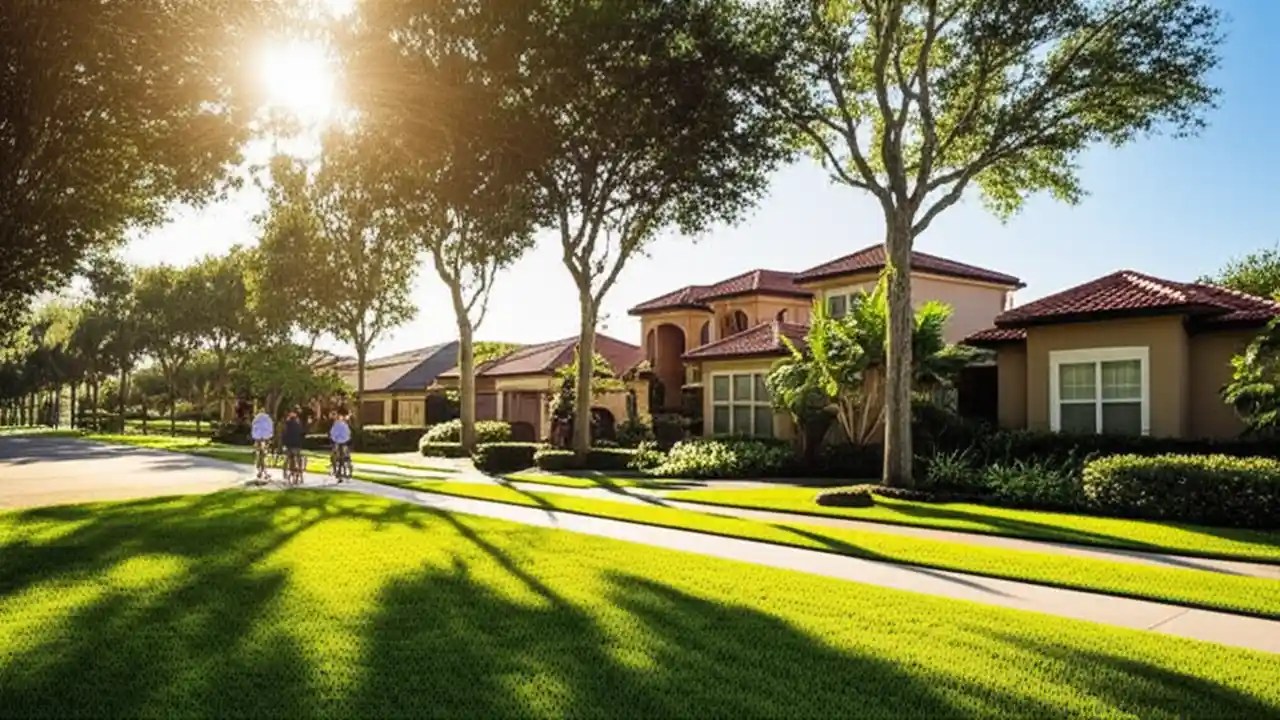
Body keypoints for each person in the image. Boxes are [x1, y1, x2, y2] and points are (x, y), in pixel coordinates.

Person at [281, 409, 305, 485]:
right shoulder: (299, 425)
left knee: (288, 458)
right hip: (297, 445)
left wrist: (283, 443)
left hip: (289, 445)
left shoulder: (287, 424)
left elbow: (284, 435)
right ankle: (300, 476)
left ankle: (286, 473)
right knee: (298, 458)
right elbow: (302, 434)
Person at [250, 408, 274, 480]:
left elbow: (253, 428)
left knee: (259, 453)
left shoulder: (256, 418)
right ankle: (264, 471)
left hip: (257, 438)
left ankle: (259, 469)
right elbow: (270, 428)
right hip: (265, 438)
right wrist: (270, 436)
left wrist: (254, 436)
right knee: (264, 455)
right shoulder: (268, 418)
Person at [328, 410, 352, 482]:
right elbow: (348, 433)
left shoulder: (335, 425)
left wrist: (334, 439)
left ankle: (336, 471)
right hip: (344, 443)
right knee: (345, 457)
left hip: (337, 443)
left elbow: (332, 434)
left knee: (333, 457)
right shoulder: (345, 425)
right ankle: (344, 470)